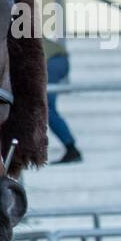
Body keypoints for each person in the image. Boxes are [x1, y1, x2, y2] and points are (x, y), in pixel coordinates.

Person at [43, 32, 80, 163]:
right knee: (46, 108)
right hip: (54, 60)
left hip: (52, 60)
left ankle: (72, 149)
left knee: (48, 108)